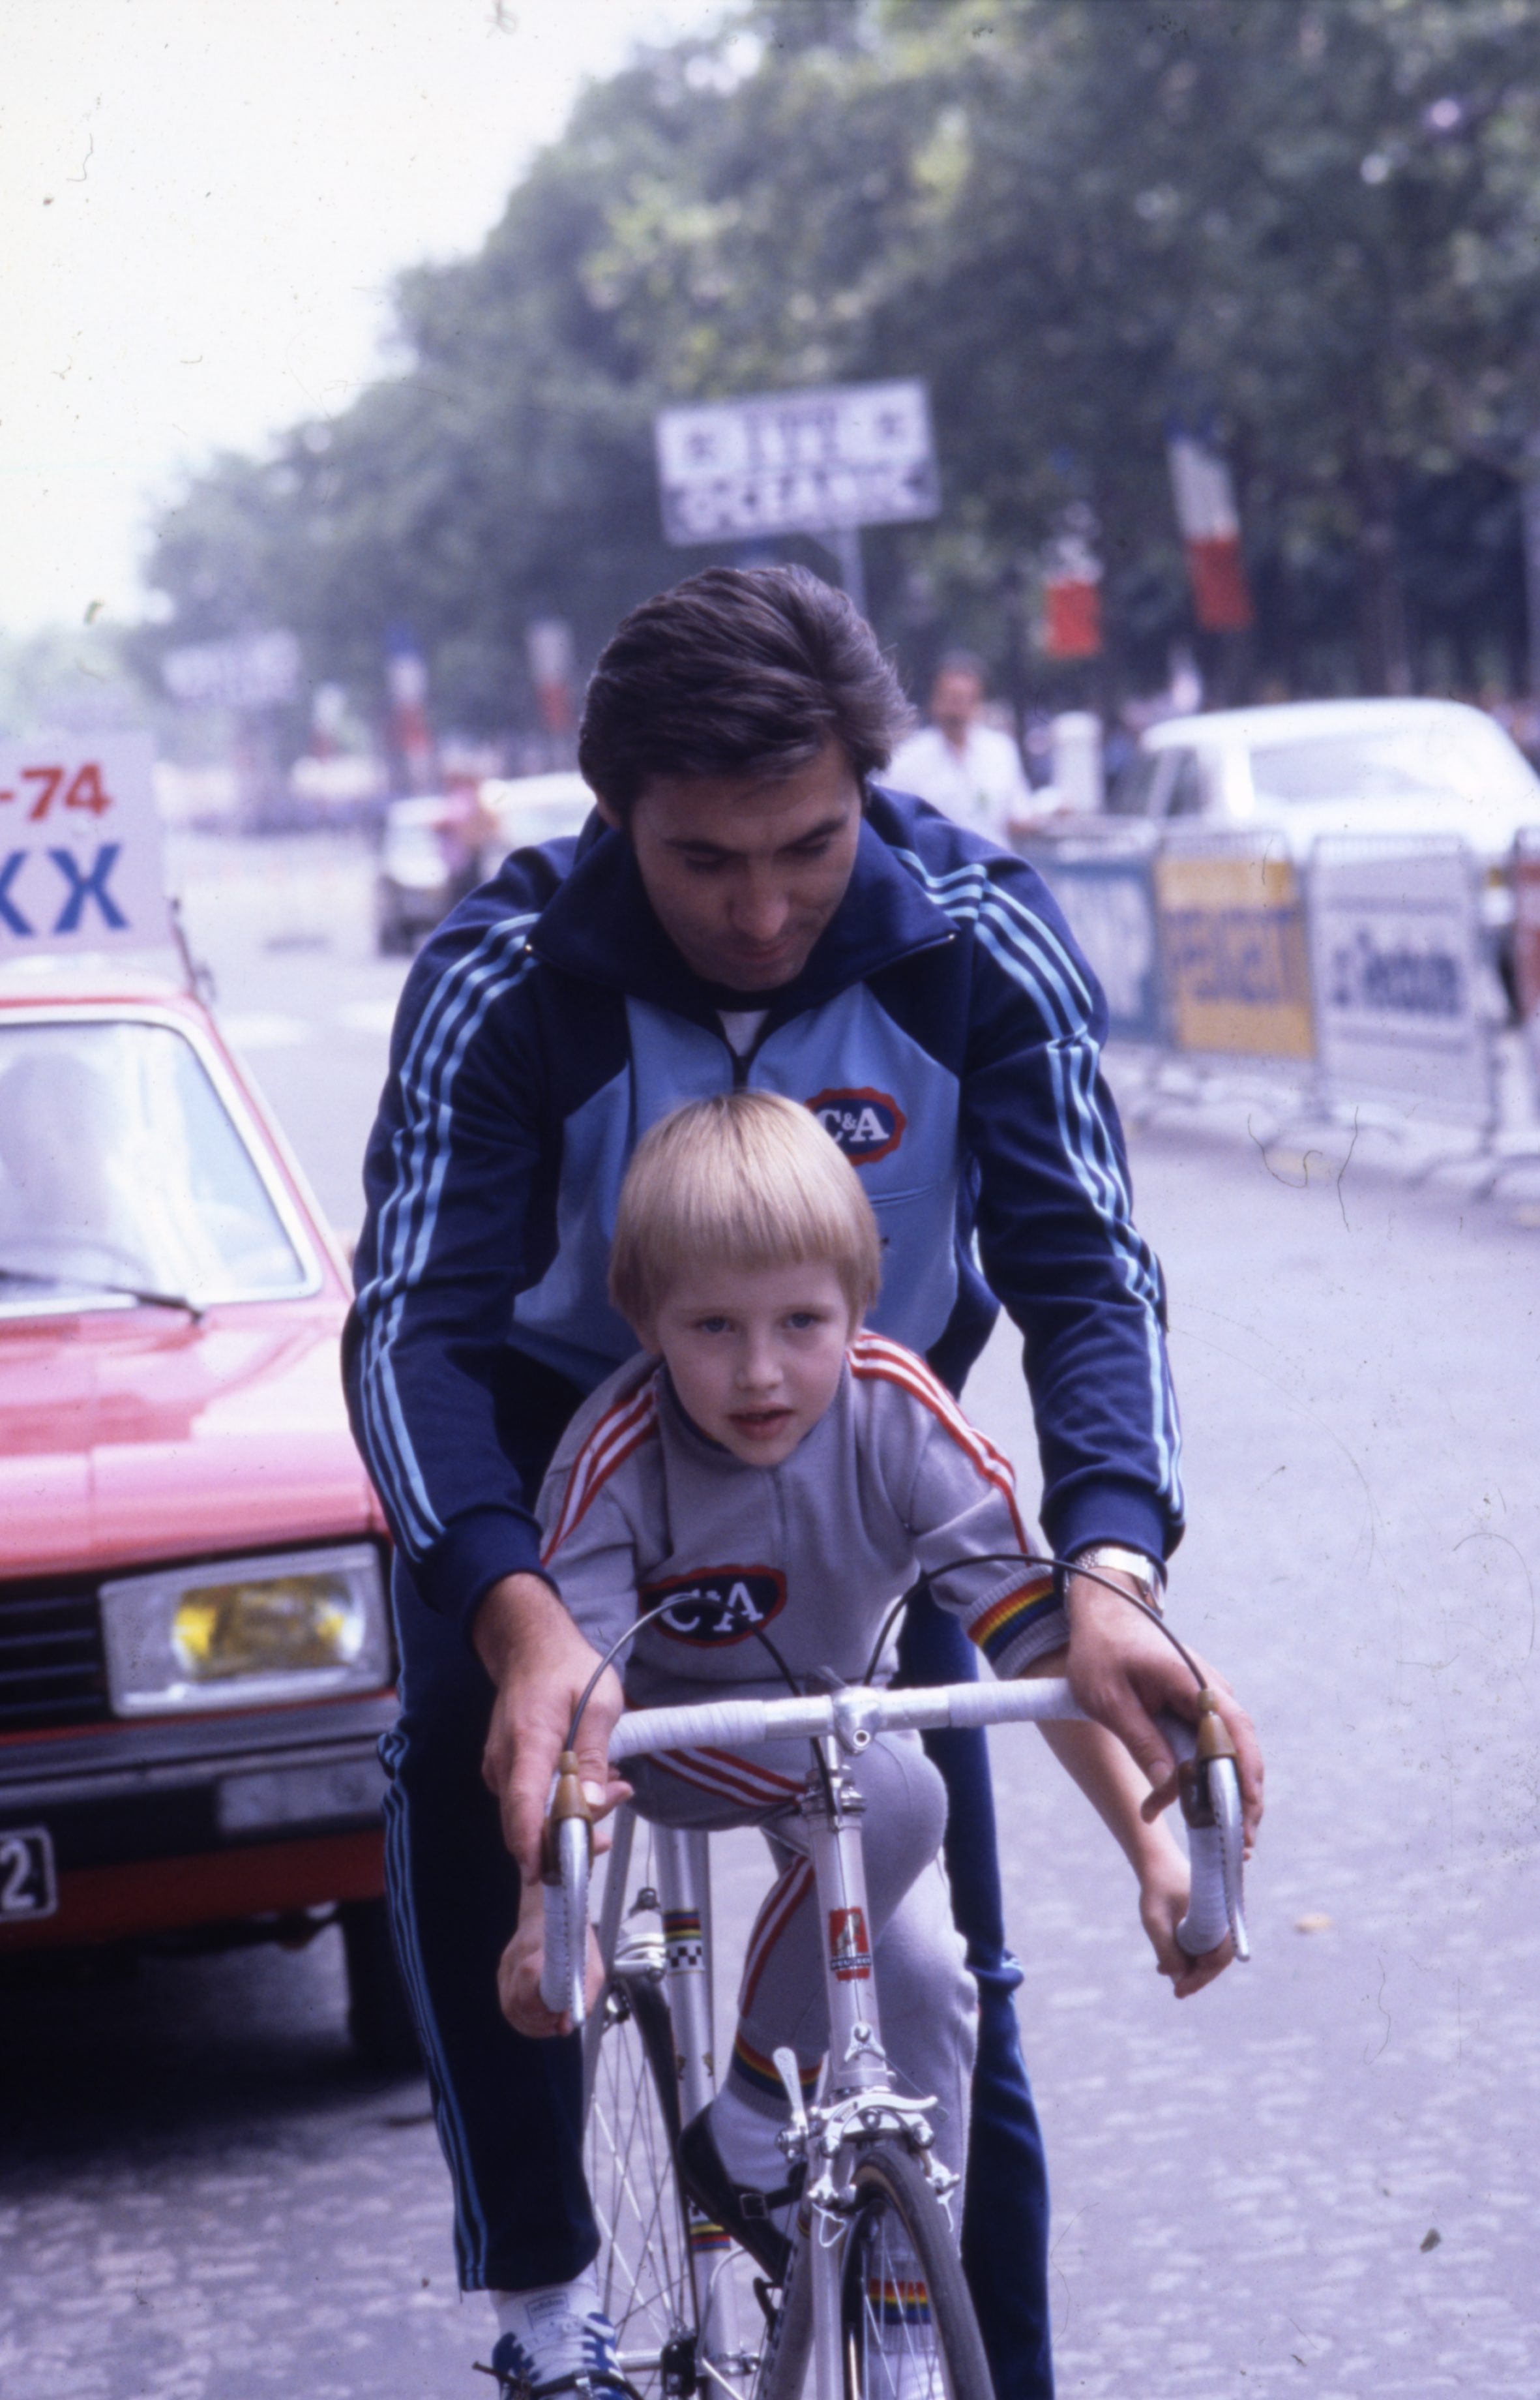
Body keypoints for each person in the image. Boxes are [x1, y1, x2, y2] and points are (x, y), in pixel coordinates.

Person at [342, 563, 1262, 2400]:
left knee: (943, 1970)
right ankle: (544, 2300)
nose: (762, 910)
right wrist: (521, 1630)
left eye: (810, 847)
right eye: (703, 863)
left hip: (858, 1438)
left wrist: (1111, 1569)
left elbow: (1088, 1275)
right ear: (619, 820)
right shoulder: (503, 977)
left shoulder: (977, 938)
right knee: (466, 1743)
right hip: (559, 1451)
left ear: (873, 790)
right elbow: (411, 1335)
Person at [500, 1090, 1228, 2345]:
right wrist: (542, 1923)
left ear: (864, 1301)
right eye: (712, 1329)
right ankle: (732, 2129)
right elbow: (572, 1727)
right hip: (661, 1747)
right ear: (642, 1319)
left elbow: (1045, 1656)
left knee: (934, 1981)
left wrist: (1155, 1854)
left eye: (803, 1323)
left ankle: (900, 2329)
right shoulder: (612, 1453)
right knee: (896, 1793)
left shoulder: (898, 1413)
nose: (762, 1371)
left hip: (825, 1745)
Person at [887, 651, 1037, 843]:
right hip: (934, 871)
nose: (957, 709)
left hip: (993, 868)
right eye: (951, 698)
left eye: (967, 699)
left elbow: (1018, 816)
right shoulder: (908, 757)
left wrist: (1049, 812)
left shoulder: (1000, 751)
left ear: (978, 703)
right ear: (935, 701)